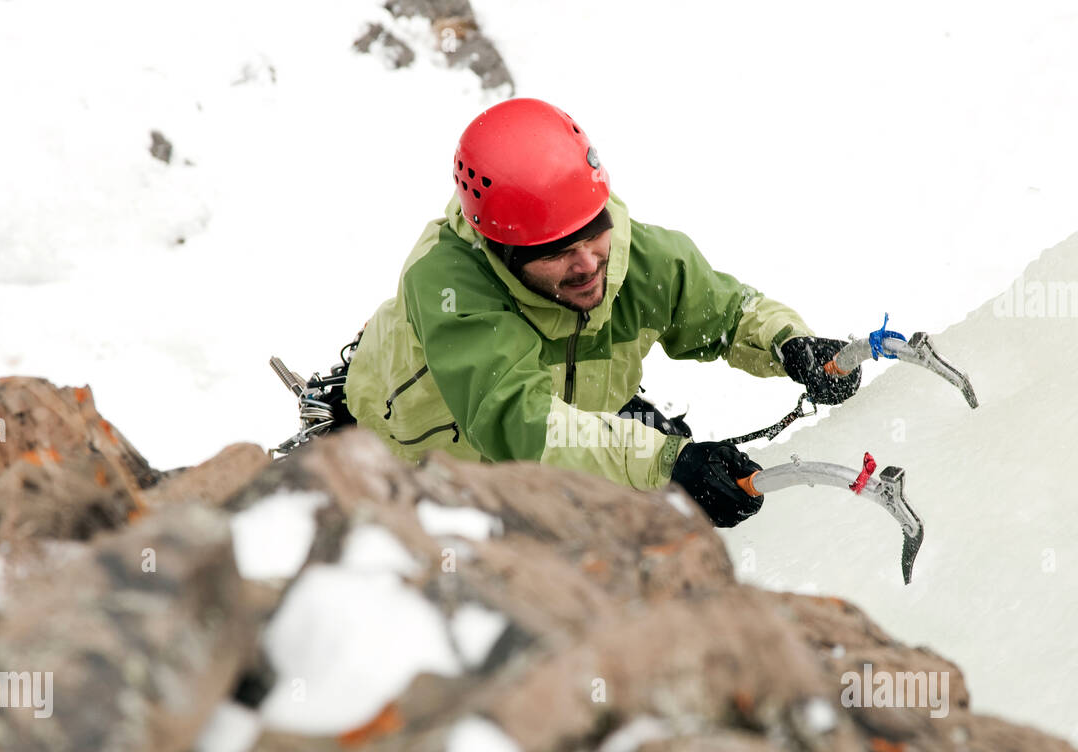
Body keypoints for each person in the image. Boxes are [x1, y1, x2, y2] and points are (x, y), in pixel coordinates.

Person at [345, 98, 859, 527]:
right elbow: (517, 420)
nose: (589, 264)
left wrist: (791, 345)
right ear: (503, 252)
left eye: (594, 231)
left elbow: (727, 313)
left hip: (575, 423)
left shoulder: (636, 258)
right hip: (425, 464)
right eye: (556, 252)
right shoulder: (446, 282)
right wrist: (665, 461)